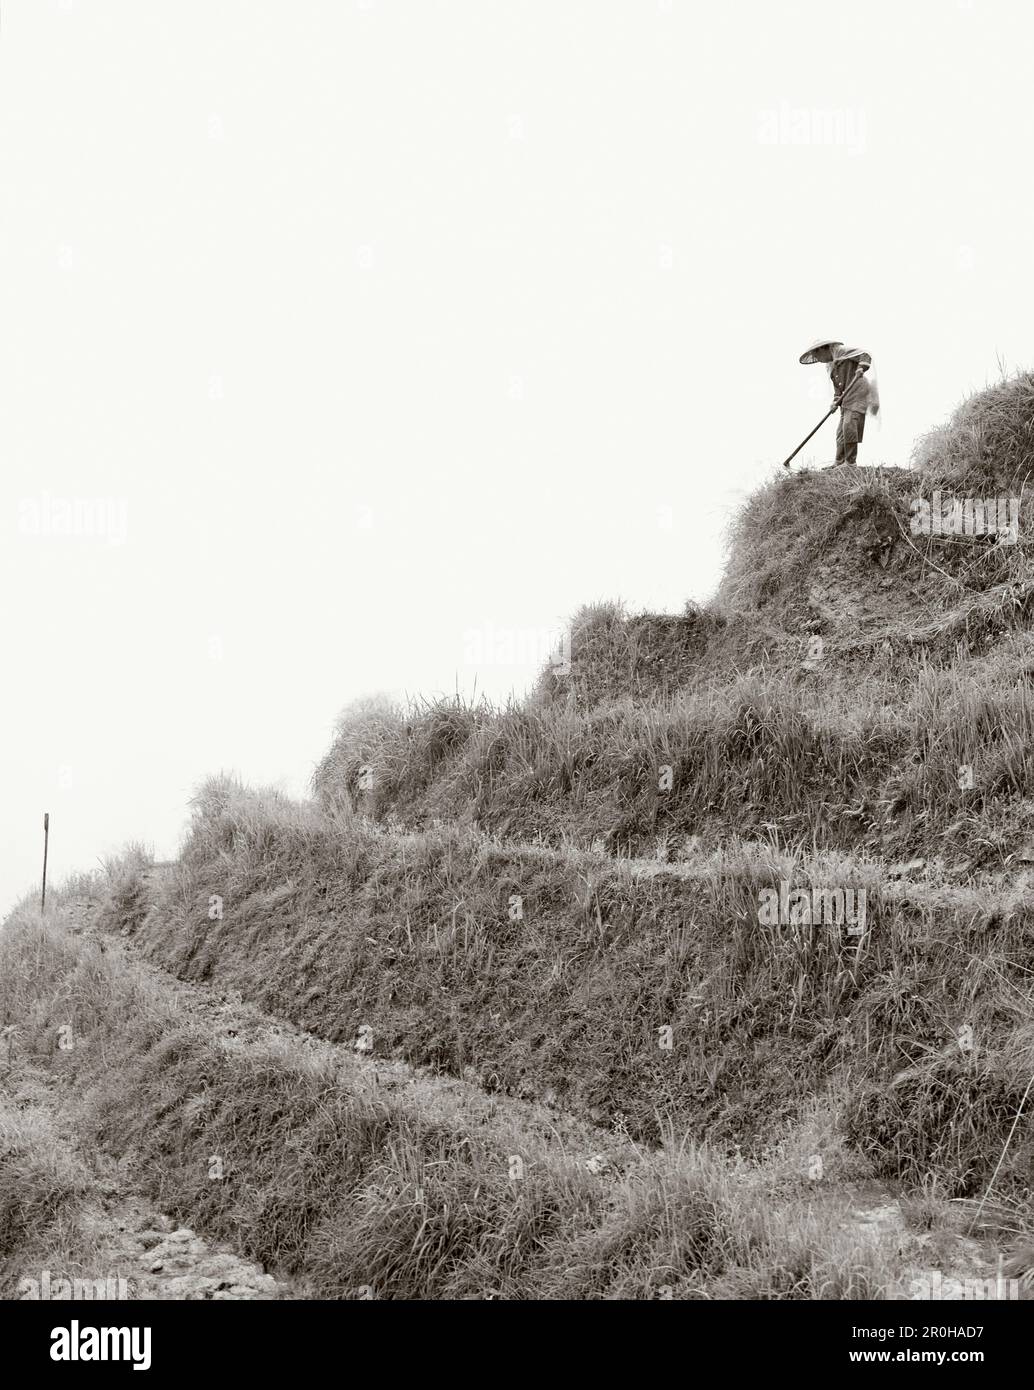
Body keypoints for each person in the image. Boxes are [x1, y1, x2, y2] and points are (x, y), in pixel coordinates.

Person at [798, 338, 880, 465]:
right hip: (846, 397)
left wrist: (861, 367)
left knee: (849, 425)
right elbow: (838, 389)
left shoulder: (842, 351)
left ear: (823, 349)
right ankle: (839, 462)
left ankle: (850, 463)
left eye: (817, 355)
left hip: (858, 392)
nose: (818, 360)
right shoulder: (831, 367)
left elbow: (865, 354)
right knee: (841, 431)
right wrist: (835, 402)